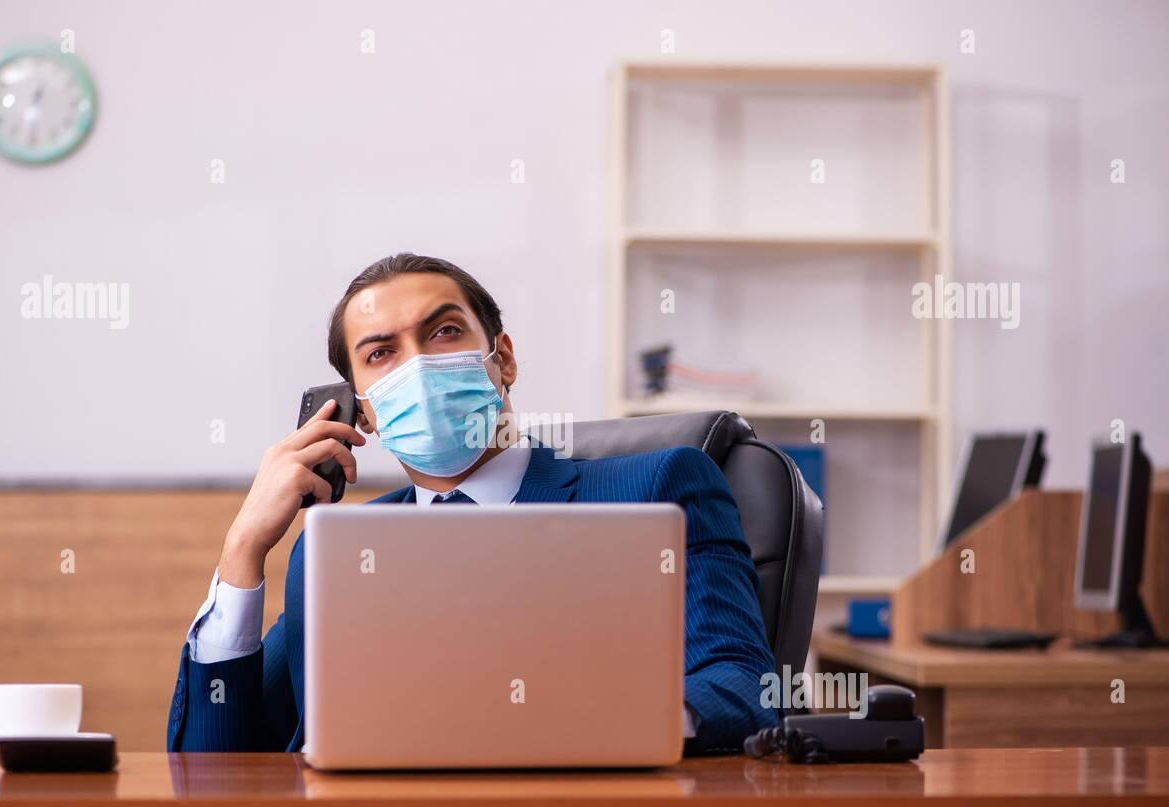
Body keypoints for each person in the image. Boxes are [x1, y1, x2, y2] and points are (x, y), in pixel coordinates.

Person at [166, 253, 777, 754]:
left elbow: (745, 684)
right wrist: (242, 551)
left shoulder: (659, 486)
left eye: (444, 332)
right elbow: (212, 764)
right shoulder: (337, 550)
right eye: (382, 354)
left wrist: (605, 726)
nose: (421, 365)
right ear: (363, 412)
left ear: (502, 358)